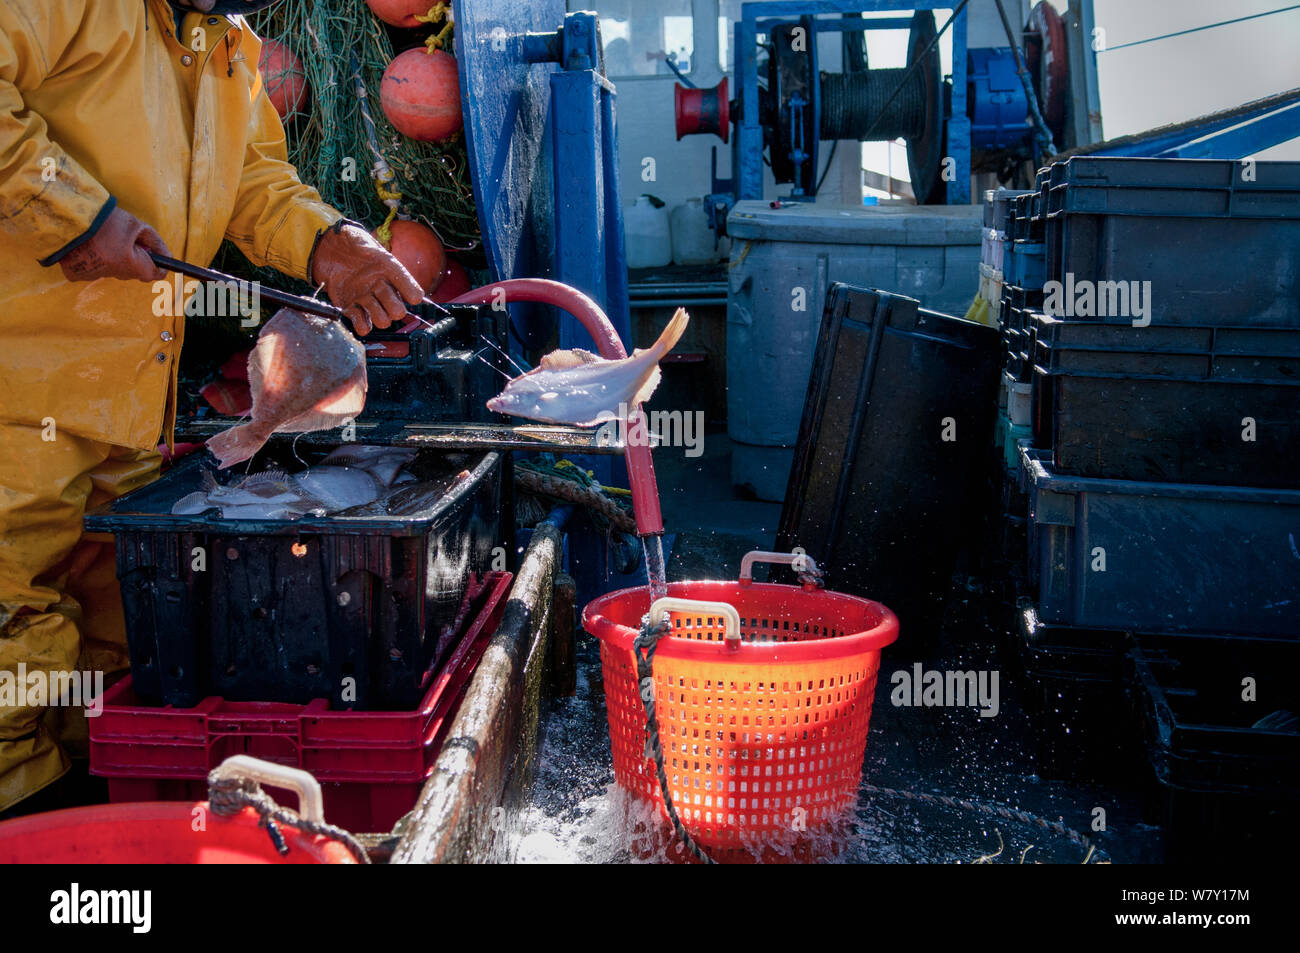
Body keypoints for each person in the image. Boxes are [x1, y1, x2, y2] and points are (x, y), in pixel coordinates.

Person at [0, 0, 424, 814]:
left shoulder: (230, 51)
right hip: (19, 405)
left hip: (123, 419)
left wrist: (330, 241)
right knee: (10, 663)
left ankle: (99, 841)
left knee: (104, 674)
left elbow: (253, 181)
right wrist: (74, 218)